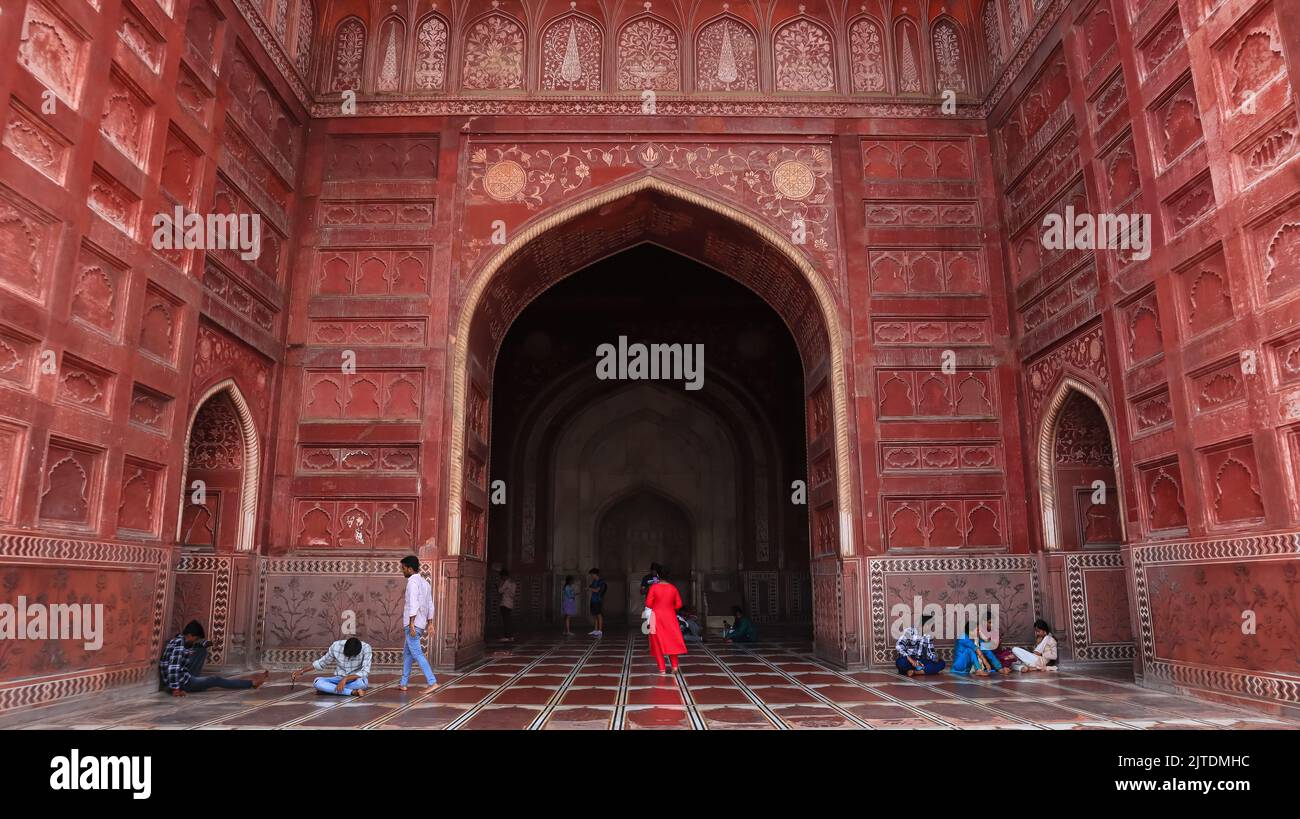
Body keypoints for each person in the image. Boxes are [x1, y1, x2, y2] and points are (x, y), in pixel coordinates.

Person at [159, 620, 267, 696]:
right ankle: (251, 683)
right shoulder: (179, 645)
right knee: (215, 680)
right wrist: (176, 689)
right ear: (190, 635)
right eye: (195, 638)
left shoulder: (177, 640)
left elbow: (198, 645)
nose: (195, 641)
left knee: (201, 649)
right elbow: (173, 667)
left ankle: (192, 679)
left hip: (178, 679)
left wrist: (208, 643)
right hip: (181, 683)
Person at [399, 555, 438, 692]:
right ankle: (403, 683)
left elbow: (413, 603)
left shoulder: (412, 582)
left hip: (413, 624)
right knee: (408, 653)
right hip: (420, 623)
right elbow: (430, 605)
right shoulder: (425, 583)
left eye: (403, 568)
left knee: (417, 653)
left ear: (410, 568)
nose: (402, 571)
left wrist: (411, 623)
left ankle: (432, 682)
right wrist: (430, 623)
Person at [291, 636, 372, 696]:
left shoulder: (366, 648)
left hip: (356, 680)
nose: (349, 658)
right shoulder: (336, 646)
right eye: (347, 655)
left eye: (352, 656)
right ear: (344, 648)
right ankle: (352, 692)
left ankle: (329, 689)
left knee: (362, 683)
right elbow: (322, 663)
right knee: (317, 682)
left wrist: (346, 678)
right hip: (338, 679)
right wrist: (301, 671)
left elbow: (365, 672)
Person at [644, 566, 687, 674]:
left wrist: (657, 605)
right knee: (672, 640)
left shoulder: (653, 587)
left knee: (656, 642)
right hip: (670, 617)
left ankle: (662, 669)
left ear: (658, 575)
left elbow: (648, 604)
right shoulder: (673, 588)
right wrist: (669, 607)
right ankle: (675, 666)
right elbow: (679, 604)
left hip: (655, 617)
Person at [980, 610, 1011, 674]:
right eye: (990, 622)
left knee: (1009, 657)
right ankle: (1000, 668)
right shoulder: (979, 631)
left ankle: (1001, 667)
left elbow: (995, 646)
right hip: (984, 656)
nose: (992, 624)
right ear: (984, 622)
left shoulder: (995, 631)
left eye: (993, 622)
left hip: (995, 654)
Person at [497, 568, 517, 643]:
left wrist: (501, 584)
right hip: (510, 604)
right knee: (508, 621)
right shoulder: (513, 582)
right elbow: (513, 594)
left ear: (504, 576)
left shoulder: (506, 582)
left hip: (504, 604)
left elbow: (500, 591)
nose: (501, 578)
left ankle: (507, 636)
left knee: (506, 621)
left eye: (502, 577)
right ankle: (510, 636)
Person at [587, 567, 607, 638]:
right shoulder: (594, 581)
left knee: (599, 615)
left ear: (595, 574)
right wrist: (589, 588)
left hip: (598, 600)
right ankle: (595, 630)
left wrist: (590, 588)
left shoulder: (601, 582)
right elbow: (592, 588)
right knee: (594, 615)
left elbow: (597, 590)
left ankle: (600, 630)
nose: (591, 576)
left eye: (592, 574)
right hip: (593, 600)